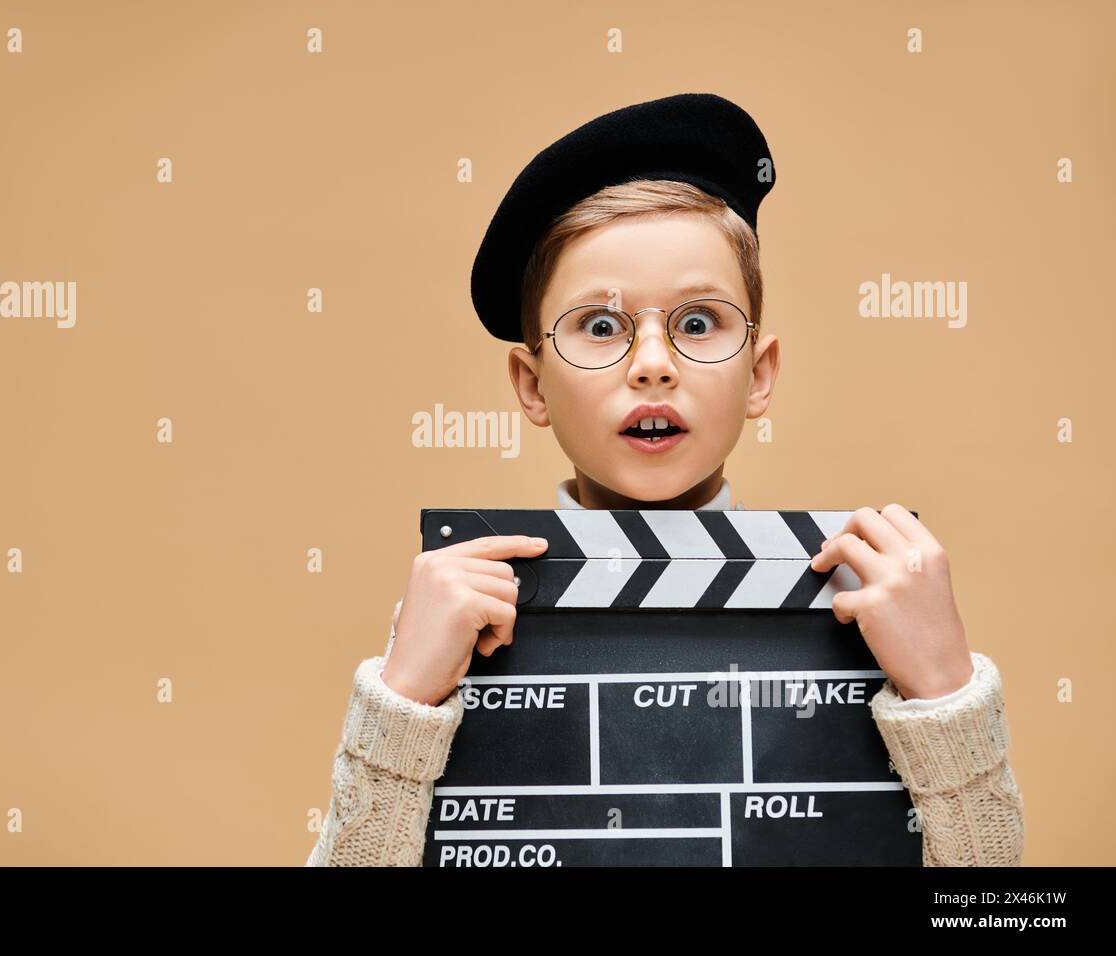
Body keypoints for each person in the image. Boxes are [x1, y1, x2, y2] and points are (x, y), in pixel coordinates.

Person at [305, 92, 1024, 867]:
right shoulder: (456, 614)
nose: (653, 363)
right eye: (601, 326)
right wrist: (400, 705)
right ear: (532, 384)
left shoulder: (878, 606)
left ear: (760, 372)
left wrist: (948, 697)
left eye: (698, 322)